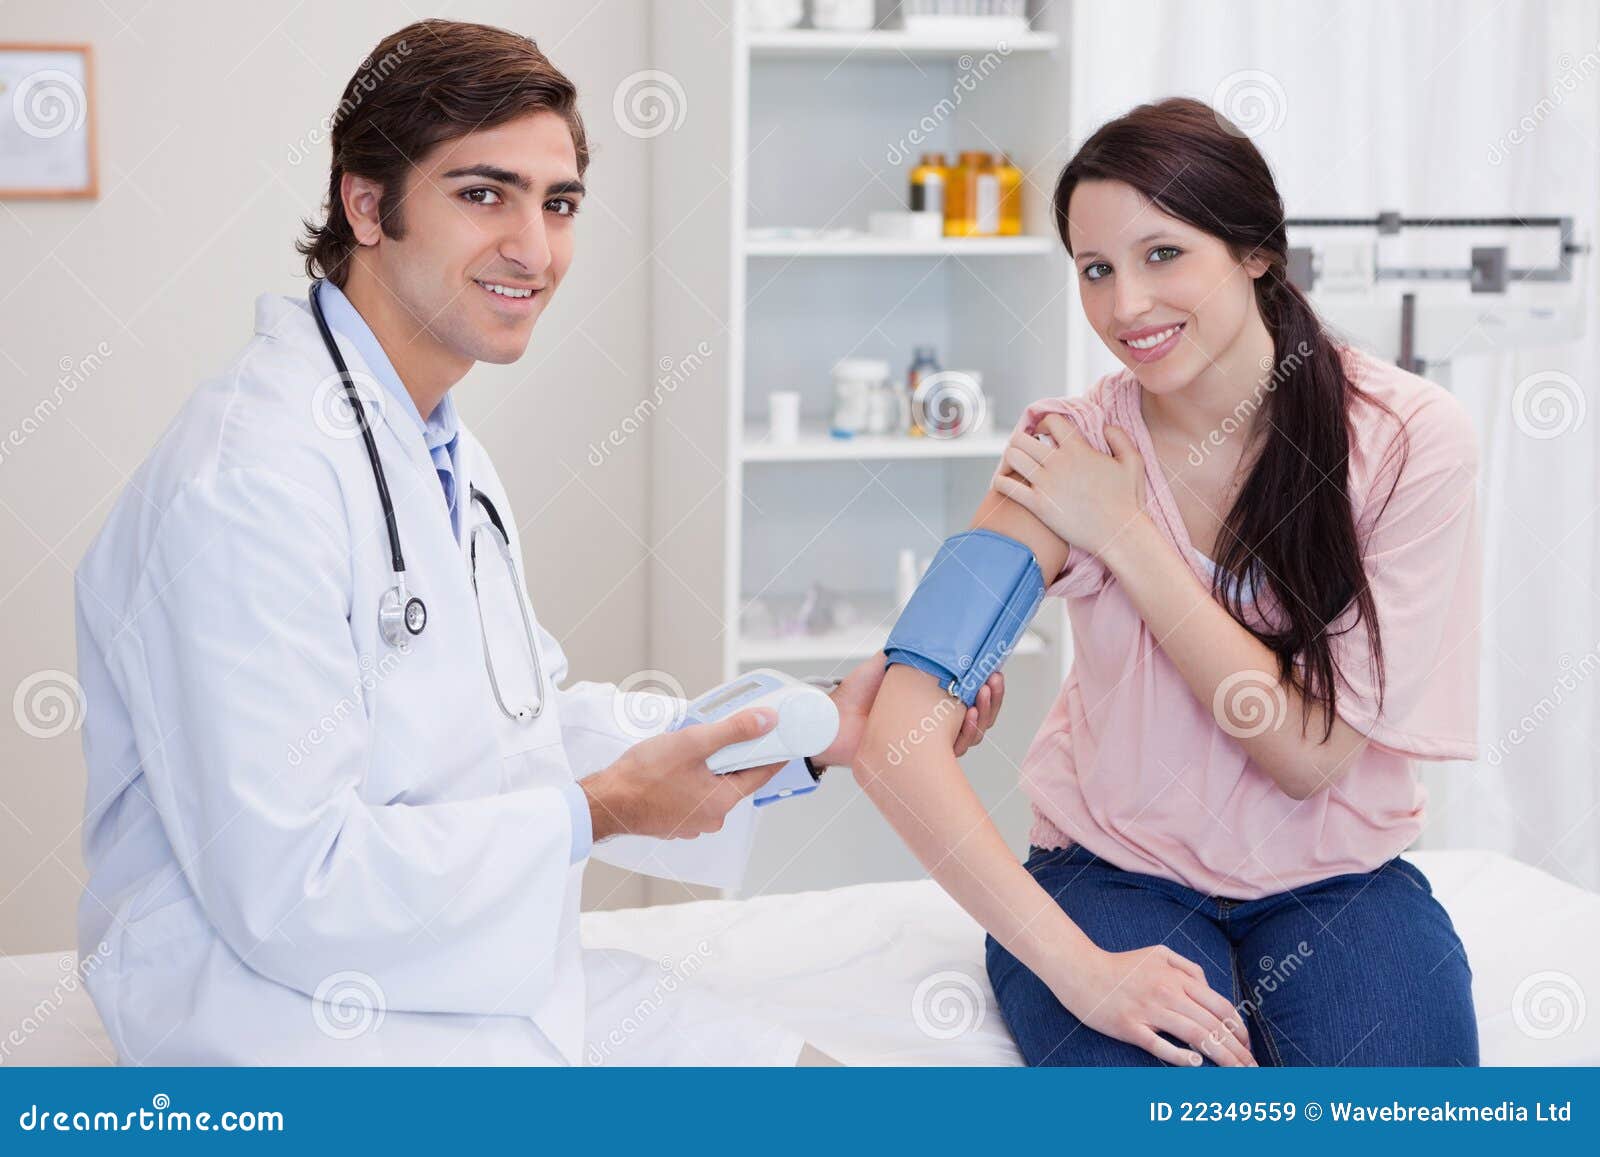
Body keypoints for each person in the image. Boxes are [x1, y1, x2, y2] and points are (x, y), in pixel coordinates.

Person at [71, 19, 1003, 1066]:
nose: (535, 247)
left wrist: (807, 727)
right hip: (277, 1007)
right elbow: (293, 881)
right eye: (483, 194)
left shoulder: (428, 442)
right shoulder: (250, 480)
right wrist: (598, 812)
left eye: (558, 203)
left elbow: (519, 728)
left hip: (446, 967)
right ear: (367, 204)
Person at [854, 97, 1482, 1067]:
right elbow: (897, 731)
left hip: (1337, 879)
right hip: (1112, 874)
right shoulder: (1064, 449)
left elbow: (1307, 755)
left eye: (1162, 255)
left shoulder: (1405, 440)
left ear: (1256, 252)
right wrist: (1078, 966)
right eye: (1095, 269)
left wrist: (1121, 529)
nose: (1124, 307)